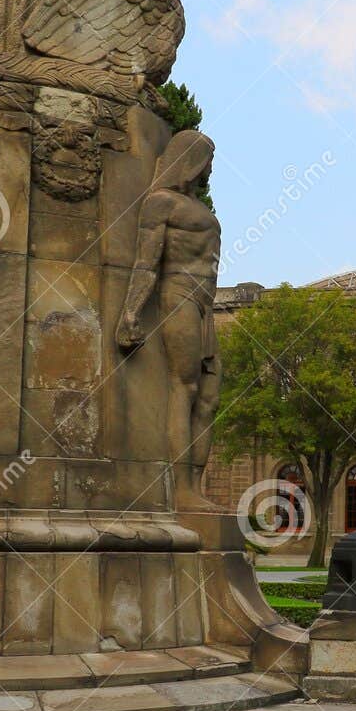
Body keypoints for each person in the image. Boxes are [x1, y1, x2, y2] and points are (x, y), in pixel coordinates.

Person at [116, 130, 222, 509]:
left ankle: (195, 487)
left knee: (209, 399)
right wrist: (130, 311)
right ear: (191, 160)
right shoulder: (160, 202)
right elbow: (146, 262)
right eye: (207, 160)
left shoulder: (196, 206)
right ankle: (181, 491)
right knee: (185, 386)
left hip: (206, 305)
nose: (210, 169)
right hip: (177, 296)